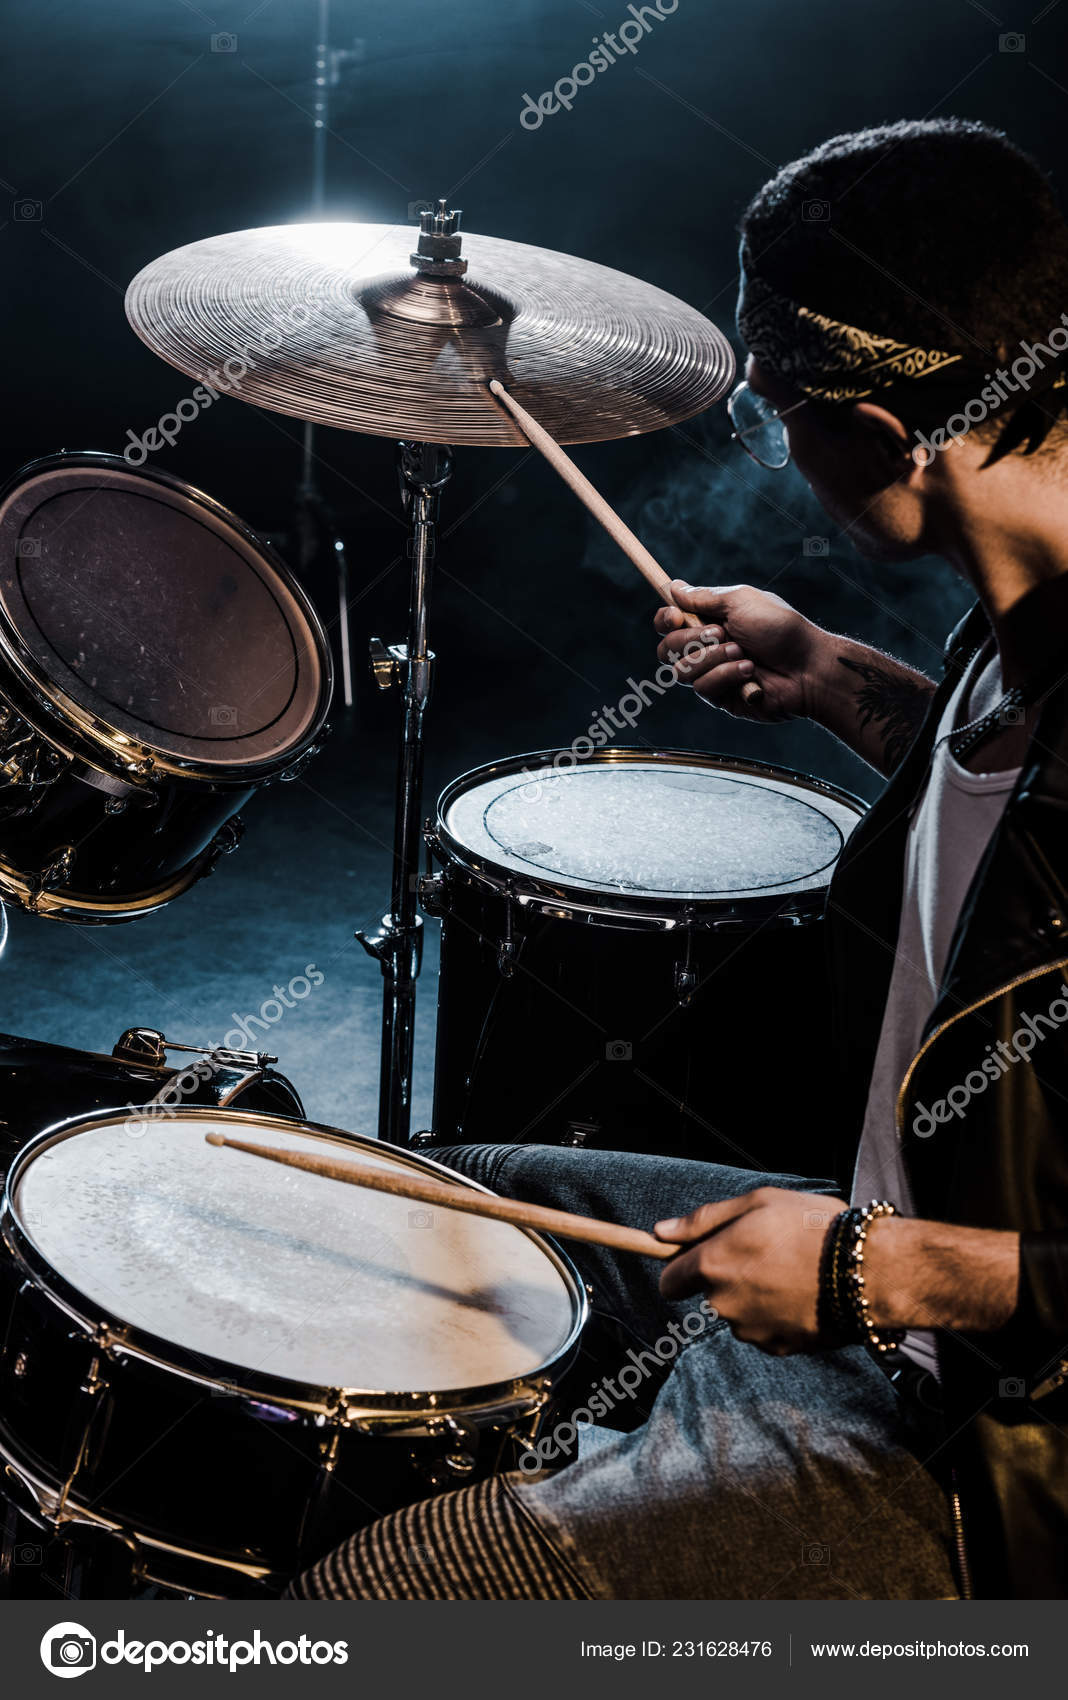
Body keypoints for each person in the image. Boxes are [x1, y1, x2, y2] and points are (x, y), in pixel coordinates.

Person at [288, 117, 1068, 1601]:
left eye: (779, 409)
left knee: (367, 1608)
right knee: (375, 1197)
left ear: (885, 436)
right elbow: (1020, 822)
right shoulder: (1025, 603)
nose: (776, 446)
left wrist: (869, 1273)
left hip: (974, 1445)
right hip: (875, 1277)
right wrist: (836, 674)